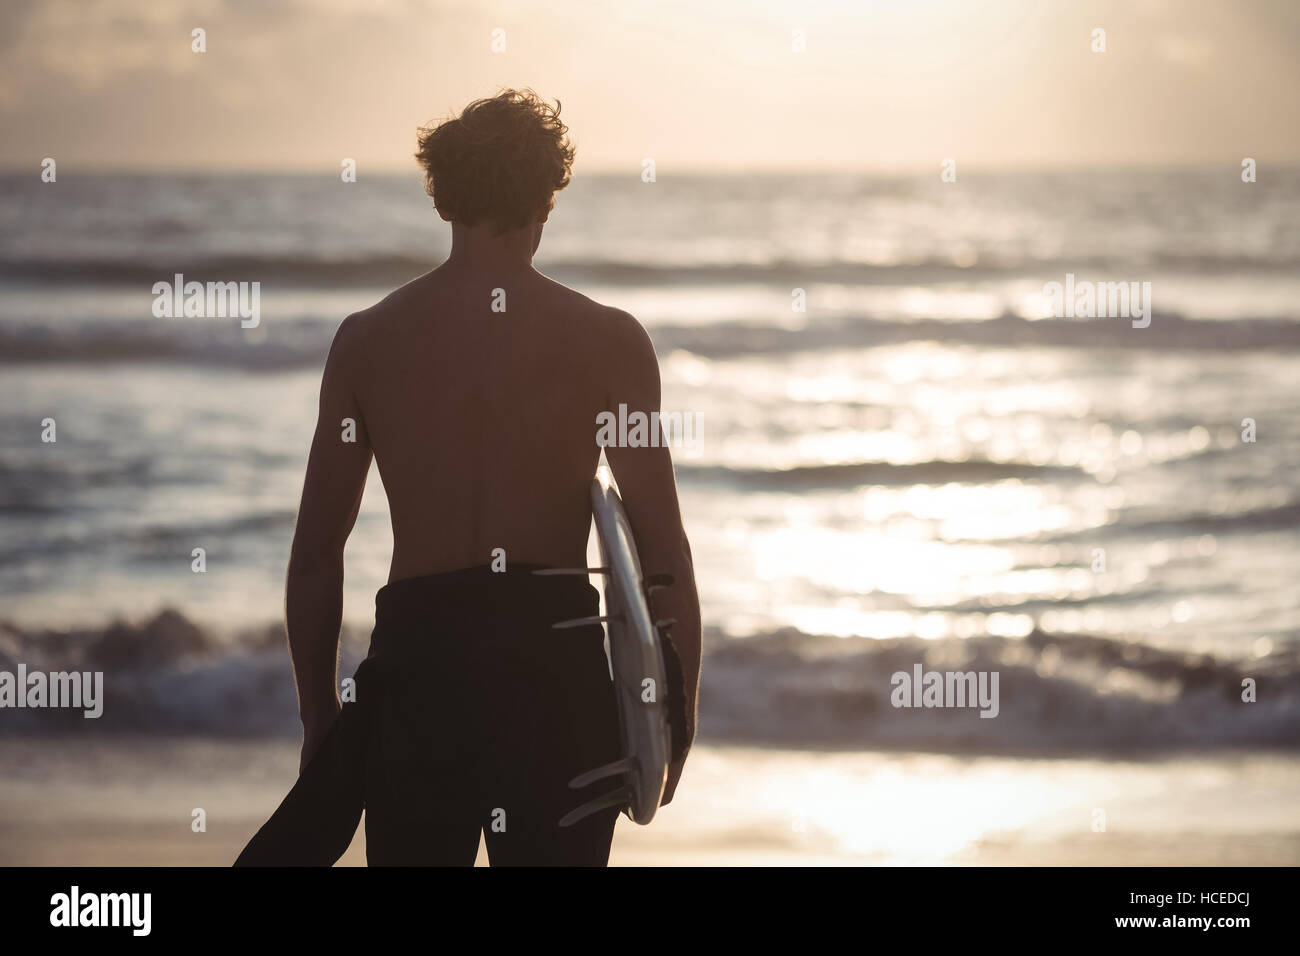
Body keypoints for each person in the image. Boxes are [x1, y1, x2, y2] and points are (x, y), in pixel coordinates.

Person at [245, 89, 700, 867]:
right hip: (555, 675)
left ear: (444, 197)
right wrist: (671, 712)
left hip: (419, 673)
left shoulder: (367, 343)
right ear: (545, 200)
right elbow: (660, 549)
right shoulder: (611, 343)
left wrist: (319, 716)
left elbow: (318, 550)